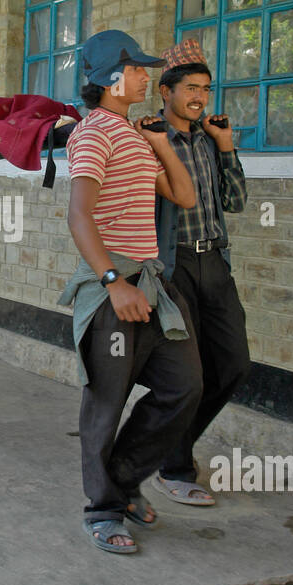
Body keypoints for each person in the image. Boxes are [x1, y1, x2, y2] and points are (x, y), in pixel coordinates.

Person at [59, 29, 202, 555]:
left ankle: (119, 483)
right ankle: (102, 508)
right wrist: (112, 283)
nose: (148, 76)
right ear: (114, 79)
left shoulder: (136, 136)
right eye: (139, 69)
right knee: (106, 402)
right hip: (114, 287)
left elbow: (183, 197)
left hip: (152, 284)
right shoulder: (94, 134)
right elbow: (79, 216)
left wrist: (161, 142)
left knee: (185, 387)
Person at [152, 40, 251, 506]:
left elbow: (236, 202)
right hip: (174, 267)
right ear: (165, 90)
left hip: (215, 261)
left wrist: (226, 145)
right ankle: (174, 466)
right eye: (190, 88)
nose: (199, 98)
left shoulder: (210, 140)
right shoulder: (147, 139)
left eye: (205, 89)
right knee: (186, 374)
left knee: (232, 364)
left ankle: (173, 448)